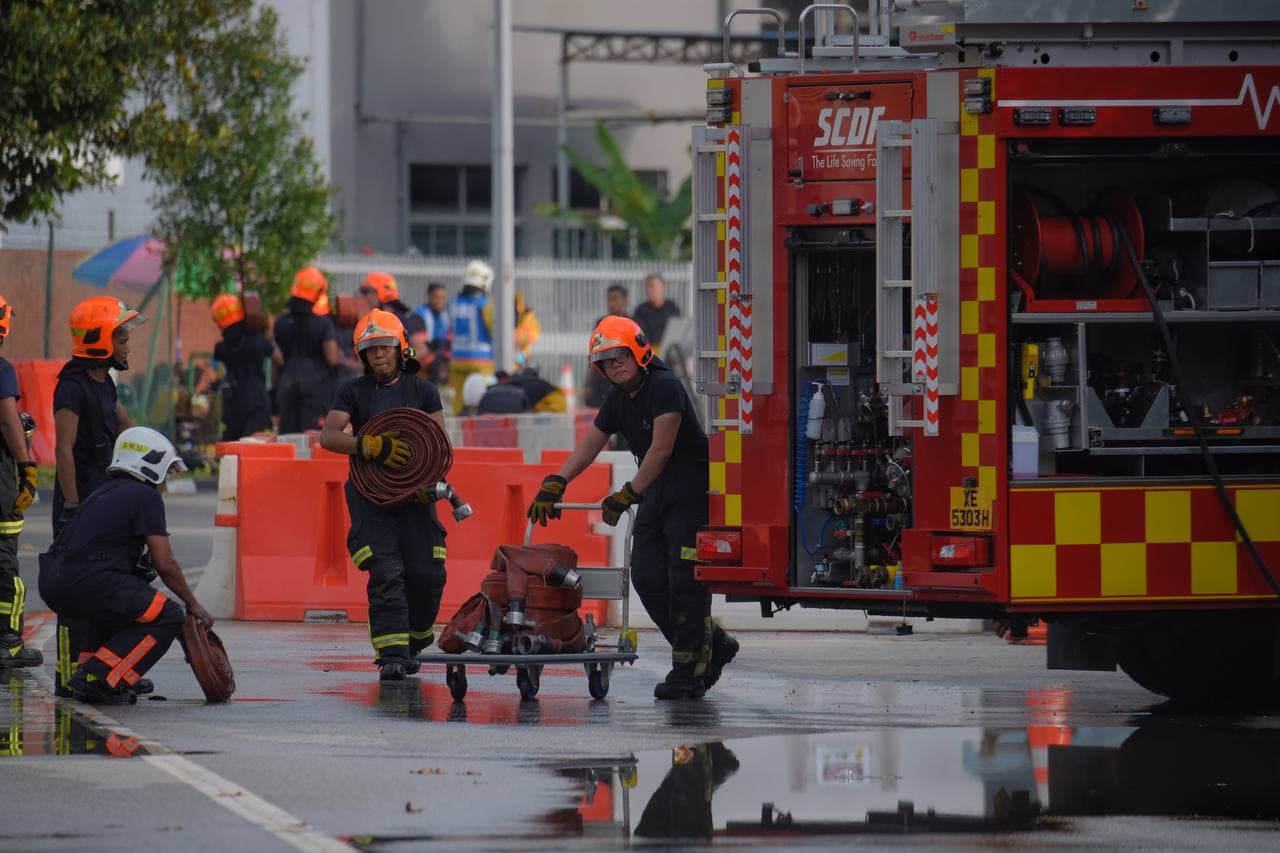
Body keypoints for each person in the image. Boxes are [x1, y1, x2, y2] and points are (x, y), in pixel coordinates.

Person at [527, 316, 737, 700]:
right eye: (605, 362)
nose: (614, 366)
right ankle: (712, 647)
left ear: (637, 351)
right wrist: (556, 482)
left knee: (684, 580)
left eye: (619, 356)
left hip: (690, 492)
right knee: (646, 576)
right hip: (654, 491)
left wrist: (626, 494)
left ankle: (688, 671)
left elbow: (661, 451)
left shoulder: (666, 387)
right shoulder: (618, 399)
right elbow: (591, 444)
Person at [320, 309, 449, 681]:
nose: (378, 355)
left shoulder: (424, 391)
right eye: (370, 349)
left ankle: (414, 640)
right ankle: (392, 654)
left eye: (385, 347)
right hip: (371, 495)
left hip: (417, 495)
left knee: (425, 573)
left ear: (400, 347)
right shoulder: (352, 391)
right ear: (361, 355)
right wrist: (368, 446)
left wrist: (430, 481)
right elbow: (329, 436)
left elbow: (440, 445)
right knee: (386, 571)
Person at [38, 428, 210, 705]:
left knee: (121, 609)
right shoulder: (145, 496)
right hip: (90, 582)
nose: (164, 485)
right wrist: (193, 604)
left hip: (58, 583)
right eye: (164, 474)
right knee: (168, 614)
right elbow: (164, 563)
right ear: (150, 465)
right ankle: (105, 677)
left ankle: (85, 675)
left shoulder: (101, 492)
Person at [52, 296, 146, 696]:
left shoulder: (105, 383)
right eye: (121, 337)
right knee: (75, 596)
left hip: (105, 502)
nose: (128, 345)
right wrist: (72, 508)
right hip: (81, 503)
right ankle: (66, 675)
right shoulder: (71, 387)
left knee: (110, 585)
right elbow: (64, 450)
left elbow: (126, 426)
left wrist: (153, 451)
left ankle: (105, 670)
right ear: (99, 341)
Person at [0, 294, 41, 669]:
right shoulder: (1, 370)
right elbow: (9, 421)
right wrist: (27, 467)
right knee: (3, 560)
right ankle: (8, 643)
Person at [274, 266, 342, 433]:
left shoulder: (281, 323)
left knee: (287, 436)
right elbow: (332, 357)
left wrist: (275, 388)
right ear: (318, 293)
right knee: (310, 437)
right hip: (315, 384)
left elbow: (277, 360)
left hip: (287, 382)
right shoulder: (323, 324)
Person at [211, 293, 282, 441]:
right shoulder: (258, 342)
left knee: (232, 449)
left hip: (233, 403)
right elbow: (280, 359)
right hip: (257, 402)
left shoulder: (222, 348)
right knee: (253, 445)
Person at [449, 259, 495, 414]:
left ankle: (455, 434)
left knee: (459, 401)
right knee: (481, 402)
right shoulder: (485, 304)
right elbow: (495, 330)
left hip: (457, 360)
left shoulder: (454, 303)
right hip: (481, 362)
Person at [584, 284, 631, 409]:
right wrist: (587, 384)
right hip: (601, 381)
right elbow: (594, 354)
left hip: (625, 381)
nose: (611, 304)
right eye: (609, 299)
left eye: (615, 299)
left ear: (625, 301)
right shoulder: (601, 324)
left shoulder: (632, 324)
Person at [411, 282, 451, 385]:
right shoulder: (419, 315)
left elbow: (448, 340)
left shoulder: (444, 316)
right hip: (425, 355)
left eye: (443, 298)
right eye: (437, 298)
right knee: (435, 367)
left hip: (440, 355)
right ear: (429, 297)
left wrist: (446, 359)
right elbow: (421, 345)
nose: (440, 302)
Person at [633, 273, 680, 350]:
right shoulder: (641, 311)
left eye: (652, 286)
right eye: (646, 286)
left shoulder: (672, 308)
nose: (648, 290)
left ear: (663, 286)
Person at [514, 291, 541, 368]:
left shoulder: (527, 316)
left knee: (519, 364)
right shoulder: (500, 313)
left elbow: (534, 335)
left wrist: (517, 337)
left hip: (521, 352)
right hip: (504, 353)